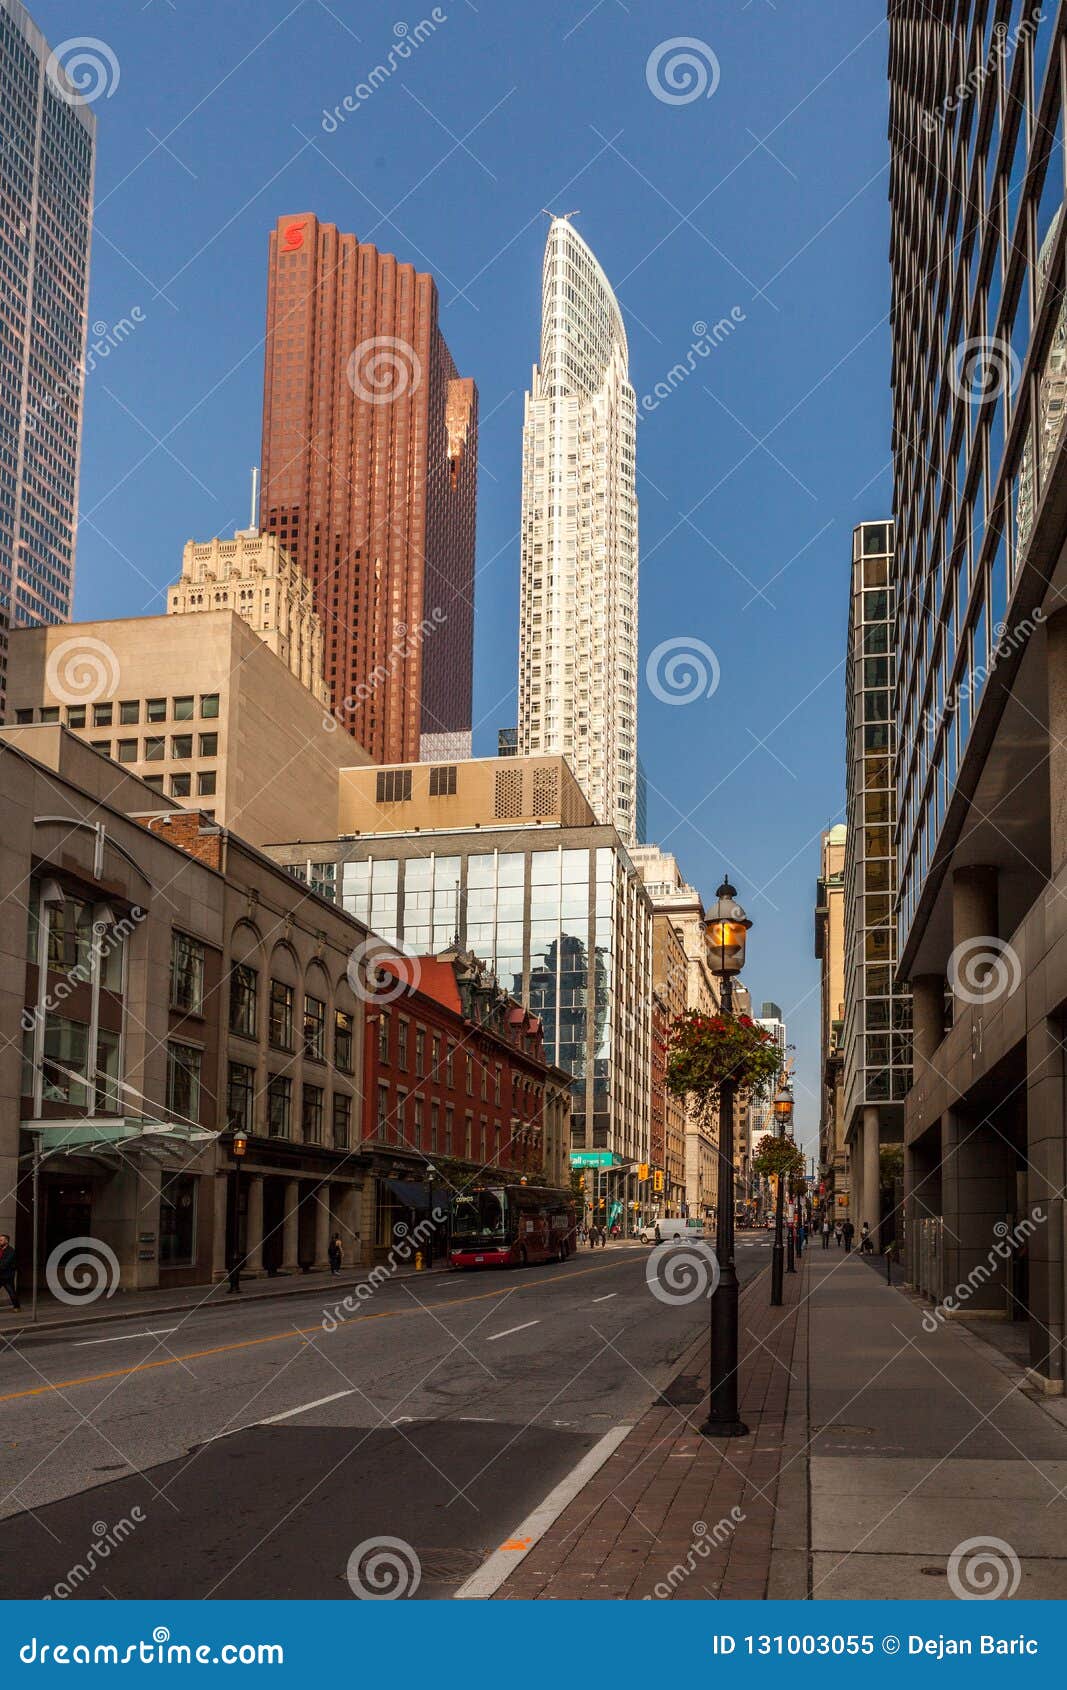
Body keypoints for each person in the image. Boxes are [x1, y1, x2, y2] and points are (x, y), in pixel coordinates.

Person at [0, 1234, 20, 1312]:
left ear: (6, 1241)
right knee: (11, 1291)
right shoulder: (0, 1250)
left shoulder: (11, 1251)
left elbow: (5, 1263)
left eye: (1, 1240)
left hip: (7, 1276)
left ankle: (17, 1307)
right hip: (0, 1275)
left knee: (11, 1292)